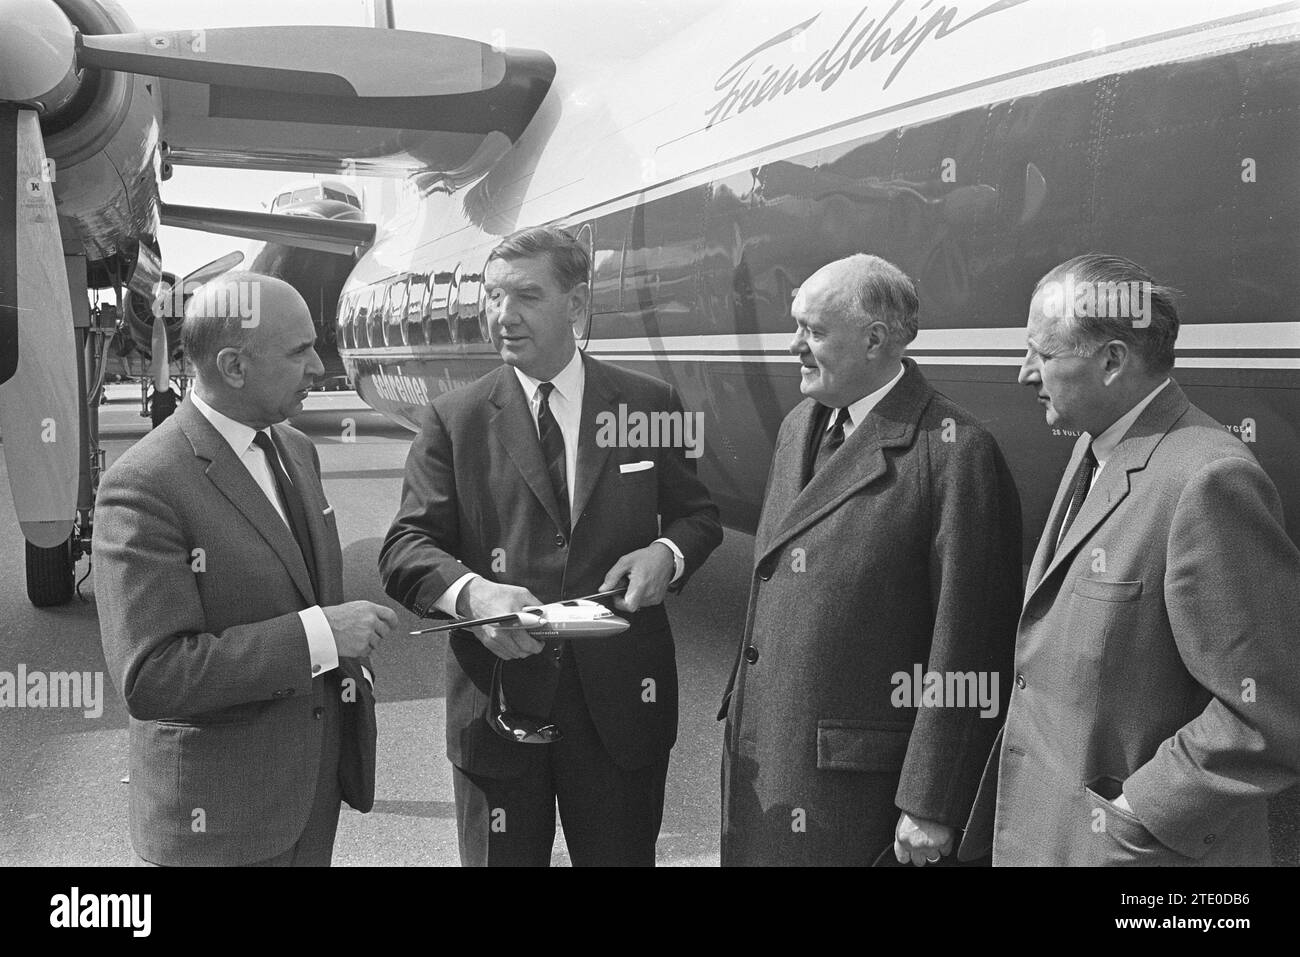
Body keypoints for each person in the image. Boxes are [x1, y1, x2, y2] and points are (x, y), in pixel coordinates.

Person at [380, 226, 722, 866]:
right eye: (492, 296)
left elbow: (697, 517)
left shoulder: (649, 404)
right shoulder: (452, 419)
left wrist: (665, 556)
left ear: (578, 305)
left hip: (620, 710)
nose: (502, 315)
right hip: (499, 708)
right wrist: (474, 596)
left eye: (526, 296)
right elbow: (405, 547)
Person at [958, 254, 1300, 865]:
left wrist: (1137, 810)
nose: (1023, 373)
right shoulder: (1098, 445)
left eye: (1042, 352)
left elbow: (1272, 710)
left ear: (1112, 361)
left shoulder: (1209, 481)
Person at [719, 254, 1022, 866]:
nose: (794, 346)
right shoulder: (798, 425)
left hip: (856, 791)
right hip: (765, 756)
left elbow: (968, 643)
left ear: (876, 339)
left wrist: (933, 798)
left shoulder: (956, 452)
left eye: (813, 331)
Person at [96, 273, 396, 866]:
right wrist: (320, 635)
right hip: (221, 827)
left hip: (309, 800)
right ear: (233, 367)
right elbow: (154, 676)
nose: (319, 366)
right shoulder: (143, 485)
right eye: (299, 351)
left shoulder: (294, 448)